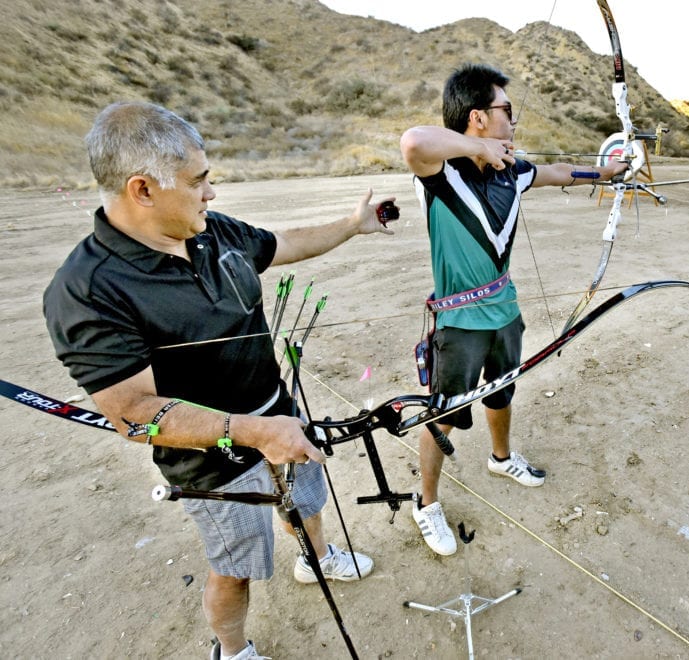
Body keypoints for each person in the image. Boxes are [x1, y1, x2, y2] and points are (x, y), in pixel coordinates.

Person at [43, 101, 397, 660]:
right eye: (198, 181)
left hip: (278, 416)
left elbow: (283, 244)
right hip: (211, 462)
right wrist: (252, 432)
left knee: (304, 502)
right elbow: (134, 412)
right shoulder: (87, 290)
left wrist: (354, 225)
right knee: (235, 569)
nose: (211, 193)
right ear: (142, 190)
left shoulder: (212, 231)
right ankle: (233, 651)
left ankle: (317, 559)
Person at [399, 64, 629, 556]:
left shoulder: (513, 171)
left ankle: (501, 458)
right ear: (478, 117)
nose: (513, 121)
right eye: (506, 110)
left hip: (504, 307)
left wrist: (607, 172)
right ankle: (427, 503)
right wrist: (478, 148)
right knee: (443, 414)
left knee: (502, 392)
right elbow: (414, 142)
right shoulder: (441, 174)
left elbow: (559, 172)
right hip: (459, 321)